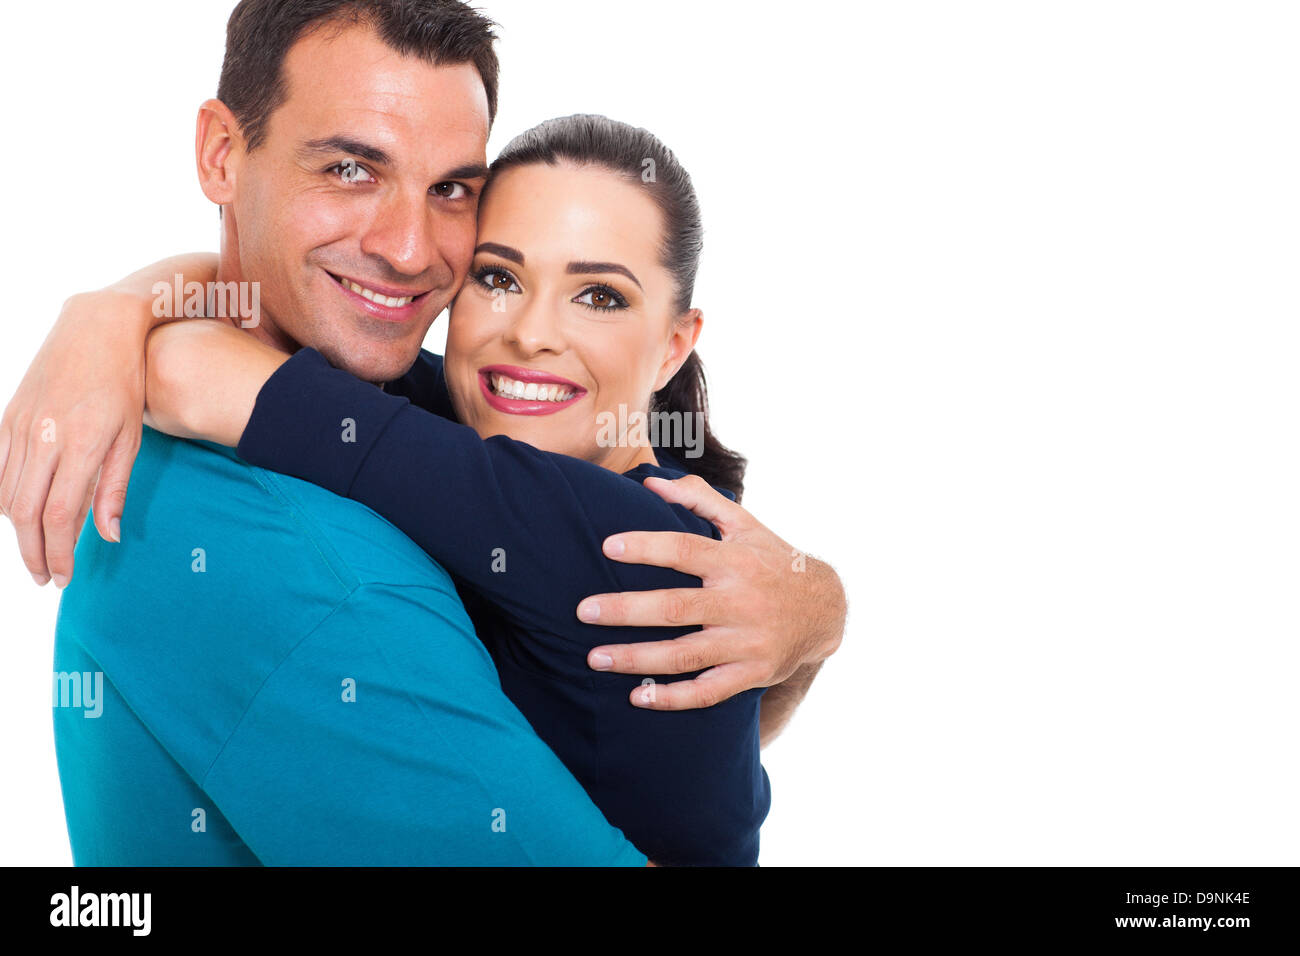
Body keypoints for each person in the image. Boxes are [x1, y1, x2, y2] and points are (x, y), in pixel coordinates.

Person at [1, 0, 846, 865]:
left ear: (675, 343)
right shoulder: (331, 574)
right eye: (351, 169)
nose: (409, 252)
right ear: (222, 153)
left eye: (449, 190)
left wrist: (815, 610)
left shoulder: (445, 434)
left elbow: (201, 367)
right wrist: (106, 315)